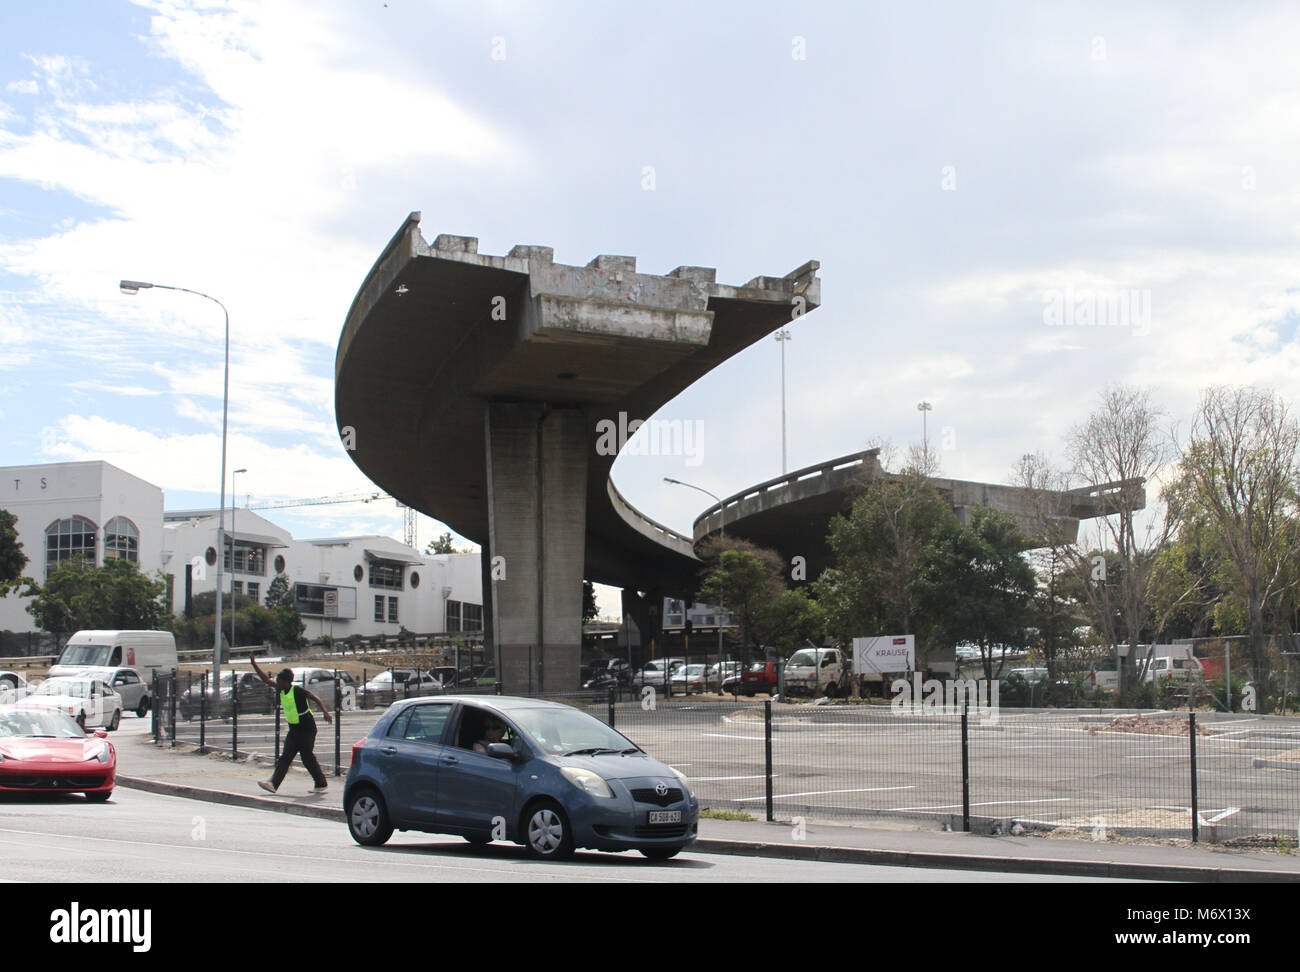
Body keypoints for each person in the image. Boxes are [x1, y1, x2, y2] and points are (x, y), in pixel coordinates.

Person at [249, 654, 332, 794]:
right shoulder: (282, 689)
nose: (278, 684)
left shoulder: (297, 690)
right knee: (285, 757)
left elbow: (314, 697)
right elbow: (265, 679)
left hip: (307, 727)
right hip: (294, 728)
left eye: (280, 681)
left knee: (307, 757)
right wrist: (253, 664)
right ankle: (273, 784)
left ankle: (321, 783)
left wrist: (325, 712)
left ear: (287, 682)